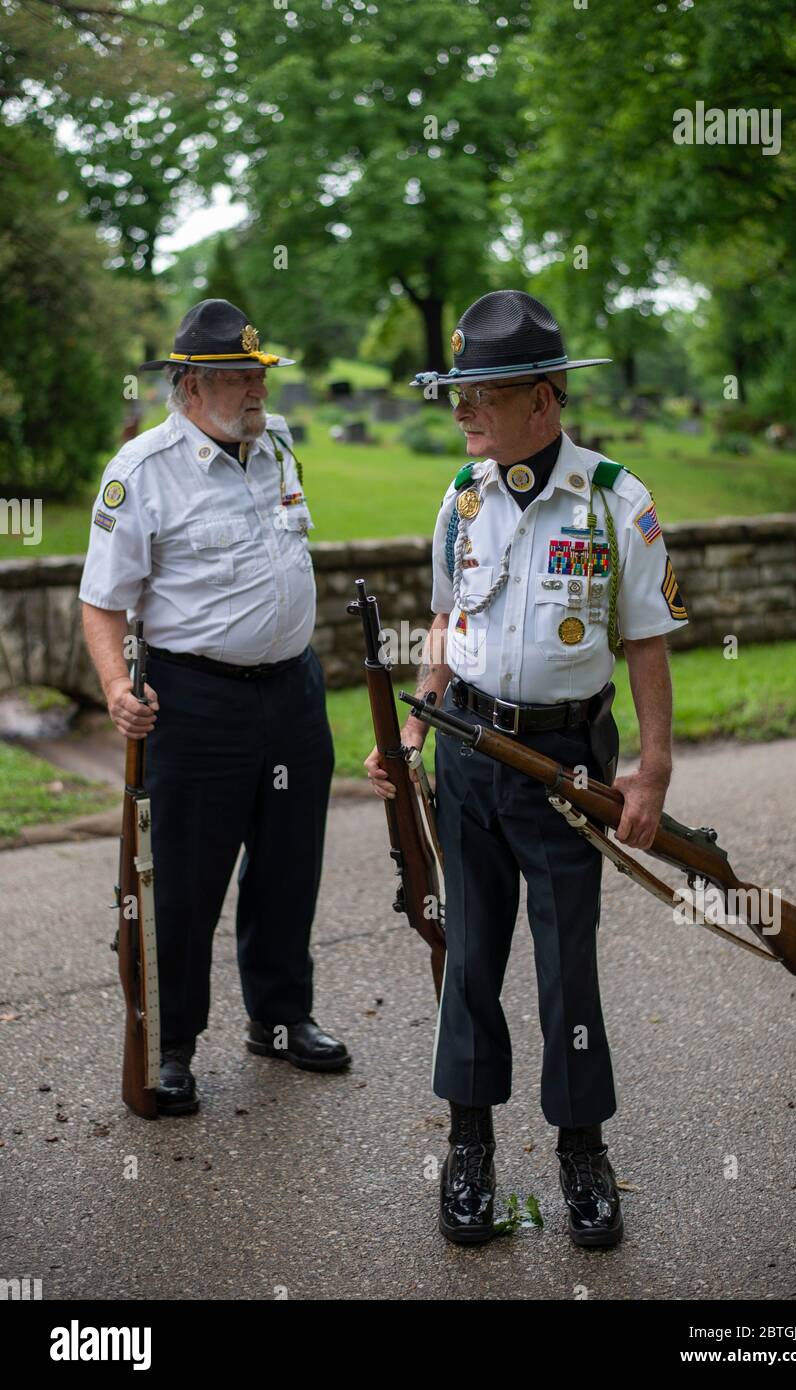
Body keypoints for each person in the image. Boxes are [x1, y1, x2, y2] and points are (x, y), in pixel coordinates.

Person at [366, 290, 688, 1247]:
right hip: (463, 748)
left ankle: (581, 1151)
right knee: (468, 961)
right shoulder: (460, 498)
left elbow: (645, 644)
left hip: (561, 759)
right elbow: (443, 620)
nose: (460, 411)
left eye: (482, 393)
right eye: (456, 393)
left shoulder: (613, 500)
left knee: (564, 967)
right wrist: (414, 738)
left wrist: (655, 770)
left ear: (545, 400)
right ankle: (469, 1146)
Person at [80, 298, 348, 1116]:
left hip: (293, 691)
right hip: (193, 702)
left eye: (258, 374)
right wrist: (117, 691)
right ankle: (171, 1043)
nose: (254, 390)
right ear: (191, 386)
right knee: (185, 883)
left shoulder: (279, 447)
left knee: (288, 862)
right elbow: (101, 602)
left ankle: (279, 1016)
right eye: (236, 376)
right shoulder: (142, 470)